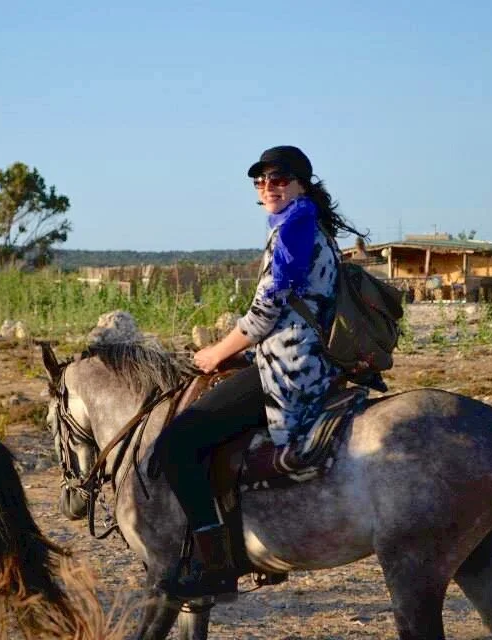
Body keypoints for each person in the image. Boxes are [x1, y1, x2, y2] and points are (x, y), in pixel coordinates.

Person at [153, 145, 363, 600]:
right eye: (261, 180)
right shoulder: (307, 223)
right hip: (303, 358)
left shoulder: (297, 225)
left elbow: (267, 309)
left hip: (289, 367)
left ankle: (216, 567)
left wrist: (215, 353)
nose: (269, 186)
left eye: (279, 178)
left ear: (302, 184)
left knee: (178, 443)